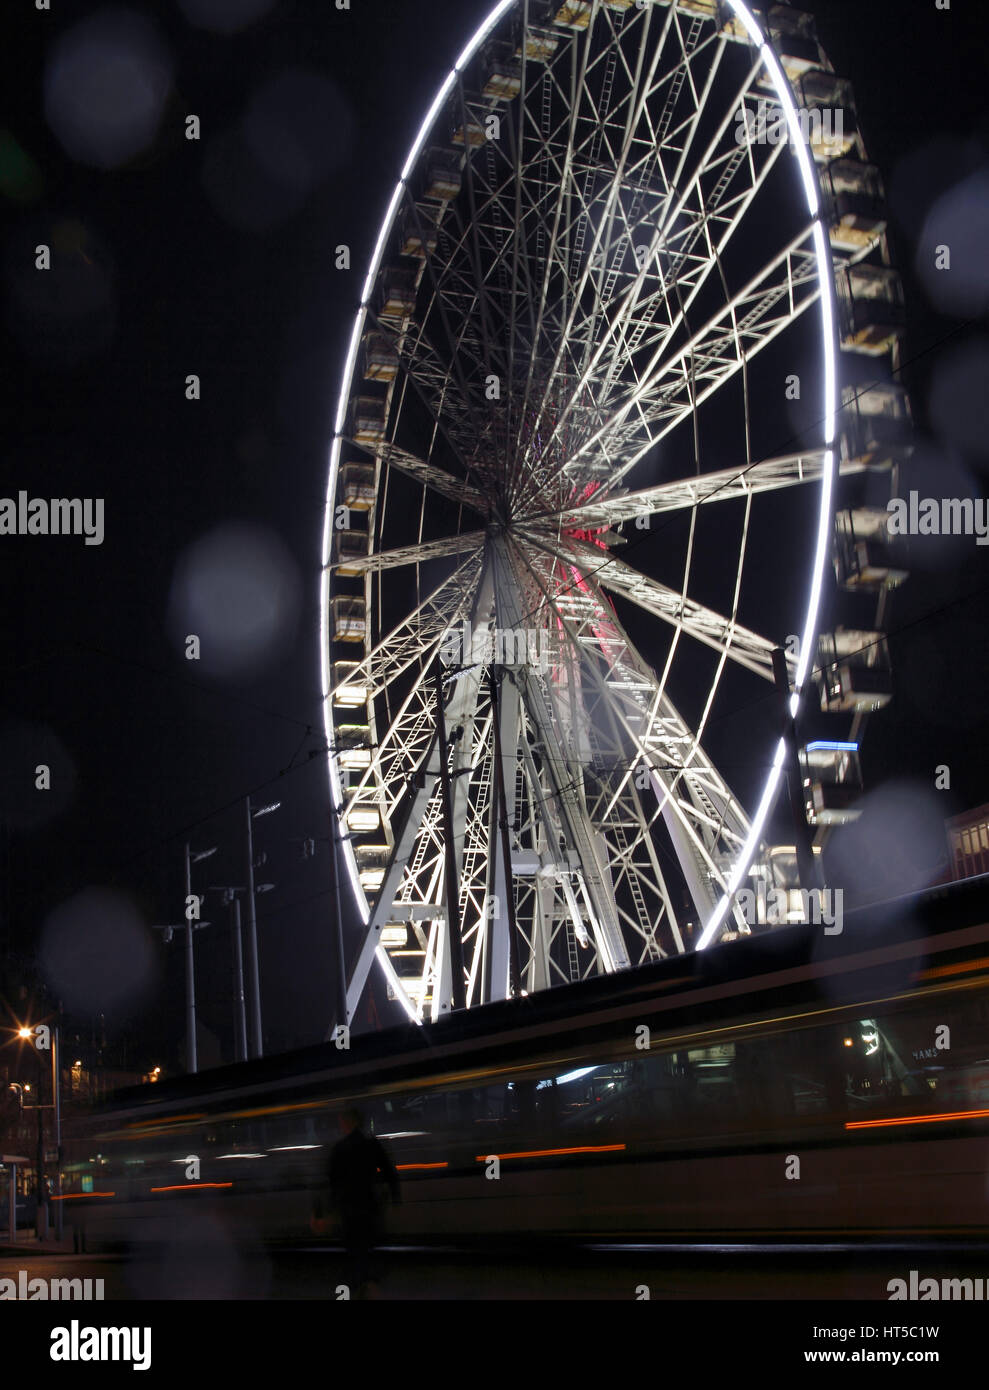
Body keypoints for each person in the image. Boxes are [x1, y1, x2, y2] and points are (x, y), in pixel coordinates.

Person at [323, 1106, 400, 1297]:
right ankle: (368, 1284)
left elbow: (333, 1184)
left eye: (341, 1121)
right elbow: (390, 1173)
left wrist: (330, 1211)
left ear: (347, 1122)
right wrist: (396, 1198)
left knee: (353, 1255)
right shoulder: (372, 1145)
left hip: (348, 1212)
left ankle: (356, 1288)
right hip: (370, 1209)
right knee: (366, 1251)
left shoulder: (339, 1149)